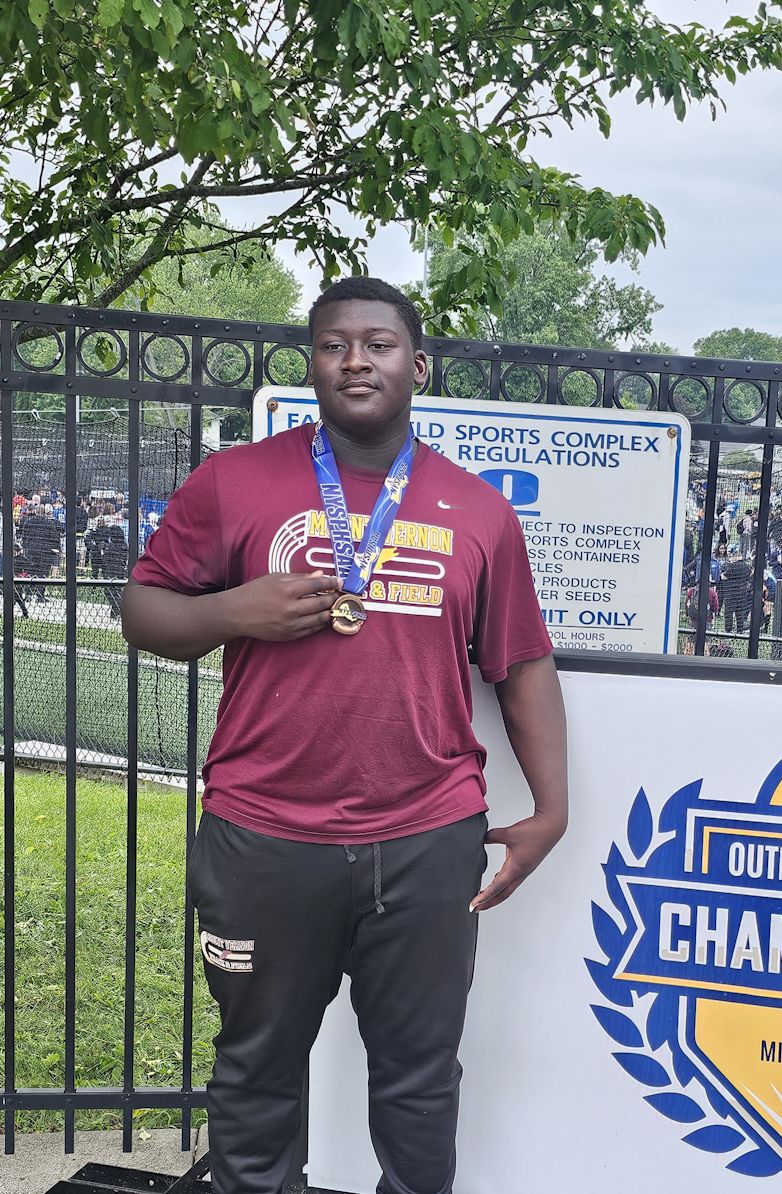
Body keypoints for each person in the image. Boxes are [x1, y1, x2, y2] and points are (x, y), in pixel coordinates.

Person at [122, 277, 569, 1194]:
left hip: (425, 838)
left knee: (416, 1086)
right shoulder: (236, 481)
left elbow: (521, 663)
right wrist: (238, 609)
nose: (355, 360)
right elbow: (142, 612)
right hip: (264, 837)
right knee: (255, 1074)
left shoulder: (477, 509)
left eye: (378, 344)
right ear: (314, 363)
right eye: (334, 345)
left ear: (418, 363)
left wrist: (552, 809)